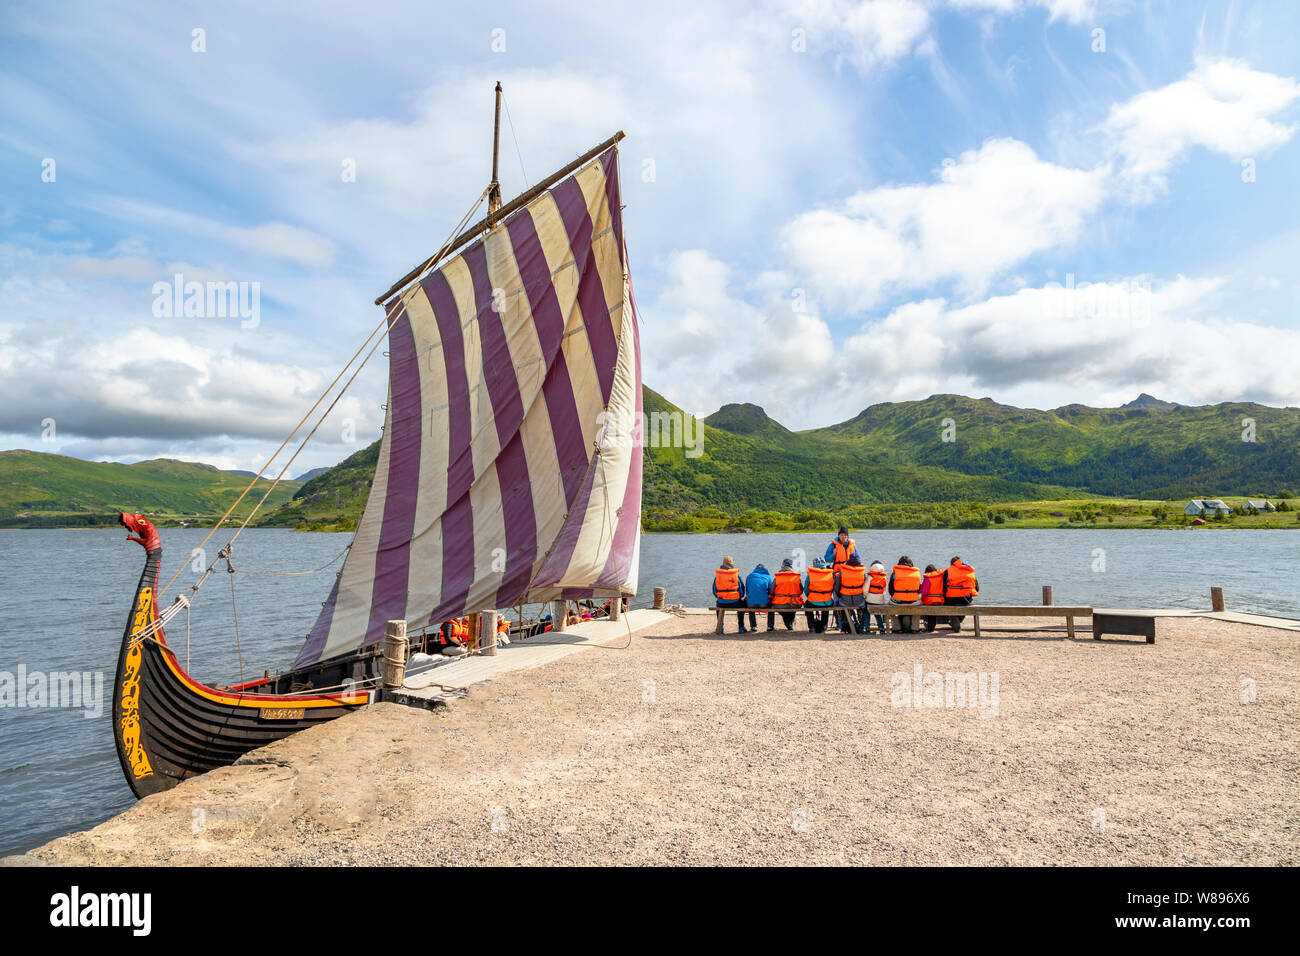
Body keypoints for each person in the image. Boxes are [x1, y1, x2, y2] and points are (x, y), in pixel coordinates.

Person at [943, 555, 979, 632]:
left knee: (951, 608)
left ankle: (956, 625)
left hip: (952, 599)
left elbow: (944, 587)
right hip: (966, 599)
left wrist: (944, 598)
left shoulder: (948, 571)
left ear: (952, 563)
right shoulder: (969, 570)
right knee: (964, 605)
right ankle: (957, 622)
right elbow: (977, 588)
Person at [888, 555, 922, 633]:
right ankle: (915, 628)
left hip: (898, 601)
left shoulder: (894, 574)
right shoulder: (916, 573)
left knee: (888, 607)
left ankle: (896, 628)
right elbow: (919, 589)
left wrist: (898, 595)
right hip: (913, 601)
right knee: (920, 606)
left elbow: (890, 590)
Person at [834, 554, 867, 634]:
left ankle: (842, 626)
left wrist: (839, 596)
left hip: (845, 600)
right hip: (859, 601)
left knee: (838, 605)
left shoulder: (842, 572)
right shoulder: (862, 573)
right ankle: (862, 625)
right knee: (865, 608)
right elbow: (865, 588)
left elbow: (837, 588)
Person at [713, 556, 746, 633]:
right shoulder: (736, 575)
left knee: (718, 606)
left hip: (722, 603)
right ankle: (741, 628)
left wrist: (721, 597)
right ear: (732, 564)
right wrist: (738, 597)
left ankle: (721, 628)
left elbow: (714, 591)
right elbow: (742, 589)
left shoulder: (718, 576)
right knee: (743, 605)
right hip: (735, 602)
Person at [770, 558, 803, 629]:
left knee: (776, 608)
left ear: (782, 566)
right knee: (791, 610)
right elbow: (801, 591)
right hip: (795, 604)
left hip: (780, 604)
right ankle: (790, 624)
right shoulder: (797, 577)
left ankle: (771, 626)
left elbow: (771, 592)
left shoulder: (777, 577)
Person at [805, 558, 835, 633]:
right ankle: (824, 627)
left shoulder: (810, 575)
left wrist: (810, 596)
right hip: (827, 601)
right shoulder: (830, 574)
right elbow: (833, 588)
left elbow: (806, 589)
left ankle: (811, 627)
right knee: (826, 609)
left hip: (813, 601)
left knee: (807, 606)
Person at [744, 563, 775, 632]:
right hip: (764, 604)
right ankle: (770, 626)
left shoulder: (749, 576)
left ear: (755, 569)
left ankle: (753, 626)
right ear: (764, 569)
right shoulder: (767, 576)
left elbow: (747, 590)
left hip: (751, 604)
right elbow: (770, 591)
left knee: (750, 602)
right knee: (772, 606)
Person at [920, 563, 946, 632]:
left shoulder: (928, 578)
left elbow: (924, 592)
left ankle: (928, 626)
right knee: (932, 612)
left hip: (929, 601)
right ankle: (931, 627)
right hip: (940, 601)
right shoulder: (941, 577)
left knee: (925, 609)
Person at [865, 560, 889, 633]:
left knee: (866, 611)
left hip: (870, 600)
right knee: (877, 614)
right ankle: (881, 628)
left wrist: (865, 596)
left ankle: (867, 627)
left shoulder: (870, 576)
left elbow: (865, 589)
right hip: (880, 600)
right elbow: (885, 591)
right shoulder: (884, 577)